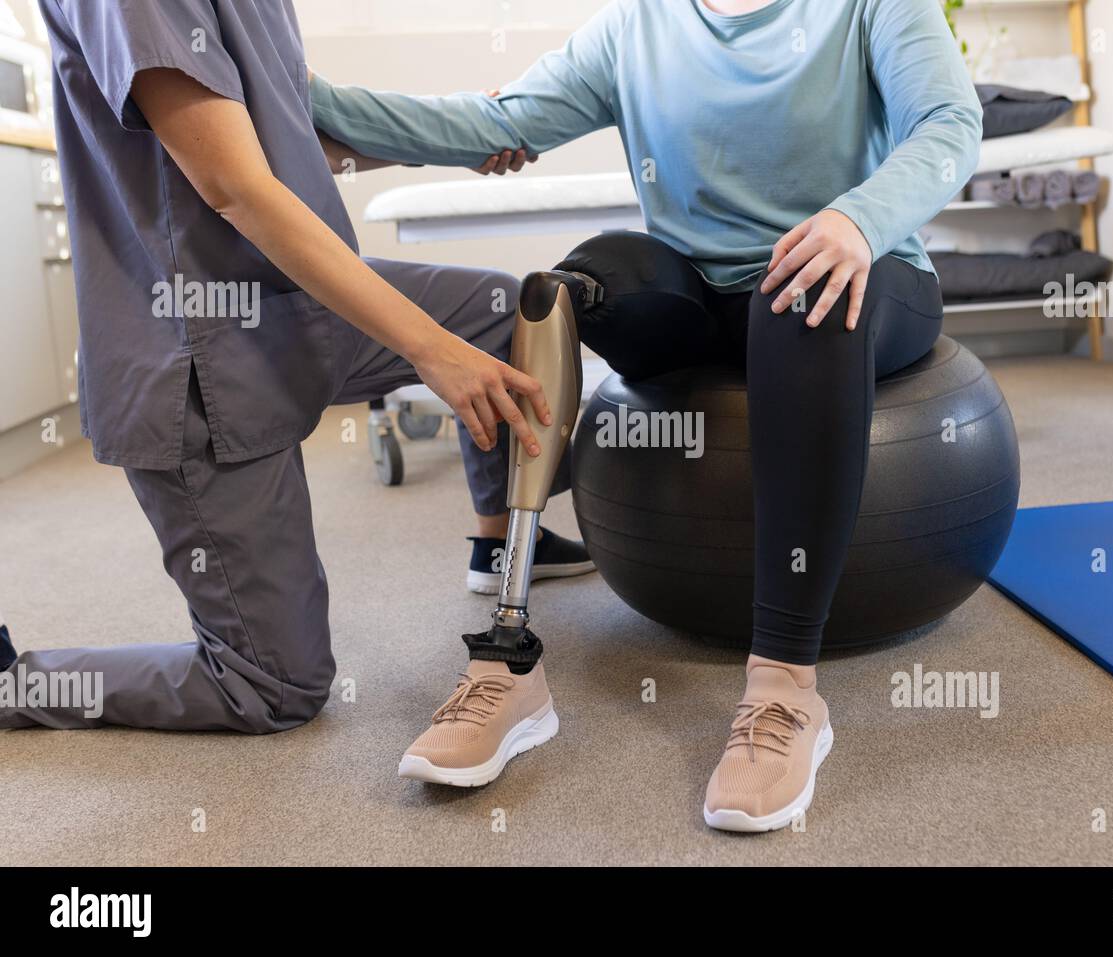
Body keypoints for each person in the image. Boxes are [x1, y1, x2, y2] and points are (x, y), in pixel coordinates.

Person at [309, 0, 982, 829]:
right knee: (560, 292)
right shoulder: (636, 26)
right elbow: (496, 122)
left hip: (863, 276)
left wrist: (858, 219)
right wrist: (303, 96)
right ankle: (510, 655)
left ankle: (784, 693)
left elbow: (950, 120)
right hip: (706, 290)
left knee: (797, 292)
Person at [0, 0, 595, 734]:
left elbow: (291, 129)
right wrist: (429, 347)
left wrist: (457, 141)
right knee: (276, 684)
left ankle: (497, 544)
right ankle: (14, 684)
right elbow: (233, 185)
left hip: (289, 301)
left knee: (510, 311)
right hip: (195, 349)